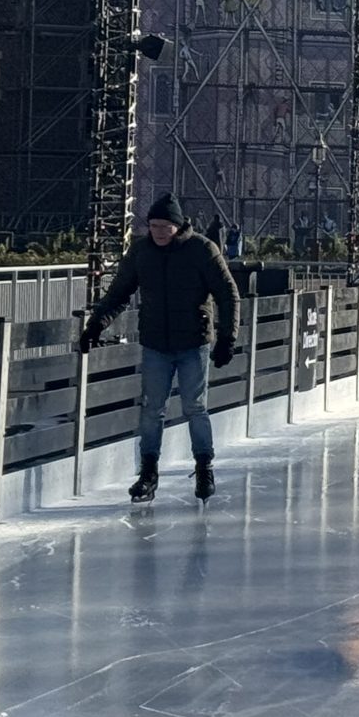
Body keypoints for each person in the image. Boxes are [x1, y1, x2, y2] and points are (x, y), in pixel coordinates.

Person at [79, 194, 238, 501]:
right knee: (153, 410)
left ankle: (204, 466)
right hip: (155, 343)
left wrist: (226, 338)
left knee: (194, 406)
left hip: (193, 342)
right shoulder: (141, 252)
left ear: (178, 226)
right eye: (153, 226)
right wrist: (96, 325)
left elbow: (227, 293)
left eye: (165, 226)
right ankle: (148, 473)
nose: (159, 232)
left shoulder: (202, 250)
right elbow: (118, 293)